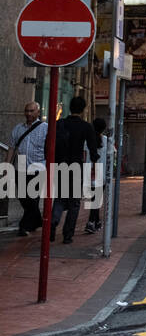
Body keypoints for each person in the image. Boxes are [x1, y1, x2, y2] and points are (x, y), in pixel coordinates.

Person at [50, 97, 99, 245]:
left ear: (69, 108)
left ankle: (53, 221)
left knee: (59, 198)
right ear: (83, 109)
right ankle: (67, 235)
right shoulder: (86, 127)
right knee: (74, 203)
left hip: (60, 165)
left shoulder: (60, 124)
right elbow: (93, 150)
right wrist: (94, 165)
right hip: (76, 166)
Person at [8, 102, 48, 236]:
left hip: (38, 167)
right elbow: (12, 147)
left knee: (32, 198)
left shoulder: (45, 128)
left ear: (38, 112)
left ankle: (24, 226)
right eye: (27, 111)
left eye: (31, 111)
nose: (28, 114)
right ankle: (36, 220)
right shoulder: (18, 128)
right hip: (20, 167)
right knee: (23, 197)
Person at [85, 117, 110, 234]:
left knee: (94, 198)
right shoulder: (107, 141)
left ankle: (97, 221)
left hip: (89, 172)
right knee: (96, 199)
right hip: (101, 172)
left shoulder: (86, 141)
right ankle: (91, 222)